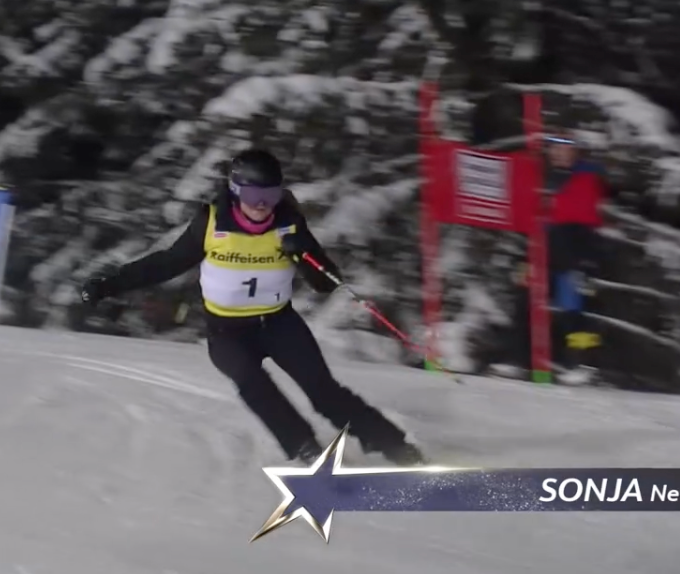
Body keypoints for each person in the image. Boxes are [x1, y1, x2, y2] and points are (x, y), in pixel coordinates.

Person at [79, 148, 426, 465]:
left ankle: (394, 445)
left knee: (324, 392)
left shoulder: (289, 223)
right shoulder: (211, 223)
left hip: (278, 324)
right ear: (235, 192)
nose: (262, 204)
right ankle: (304, 447)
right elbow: (165, 263)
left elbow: (325, 282)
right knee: (253, 383)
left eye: (270, 195)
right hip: (227, 330)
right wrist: (108, 284)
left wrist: (303, 255)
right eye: (253, 195)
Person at [543, 133, 605, 384]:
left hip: (575, 252)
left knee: (574, 309)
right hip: (554, 250)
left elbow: (577, 217)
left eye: (564, 149)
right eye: (554, 149)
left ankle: (582, 363)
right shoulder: (549, 177)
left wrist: (582, 261)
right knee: (537, 303)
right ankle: (530, 360)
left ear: (576, 152)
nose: (558, 154)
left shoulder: (586, 177)